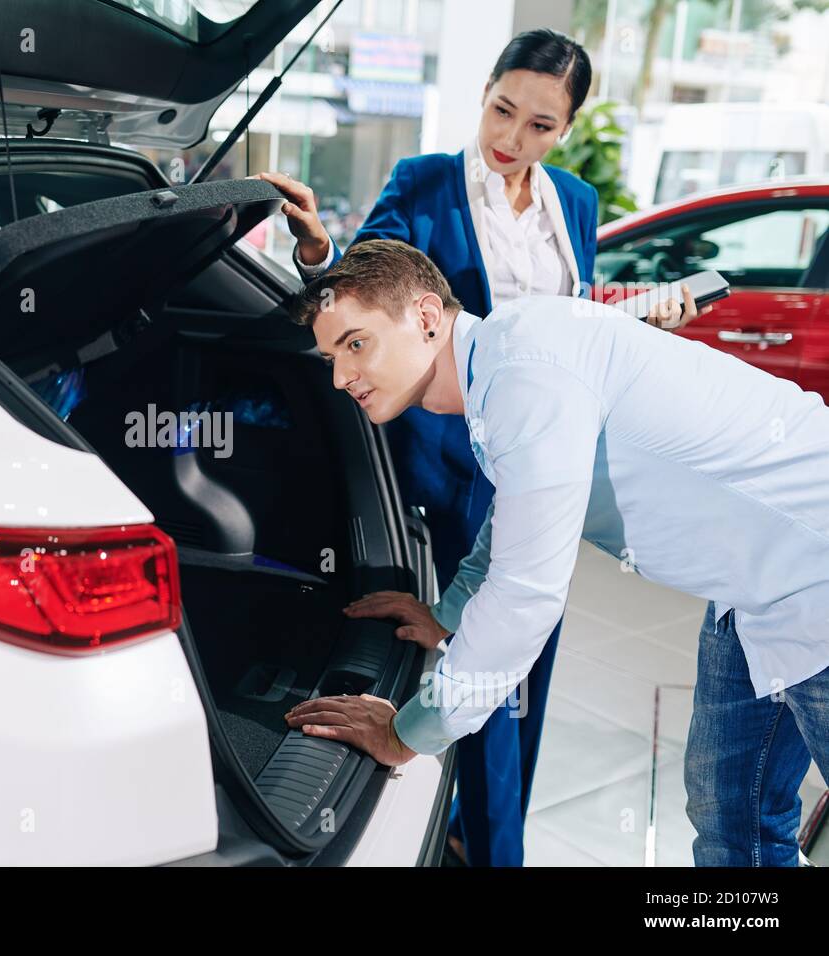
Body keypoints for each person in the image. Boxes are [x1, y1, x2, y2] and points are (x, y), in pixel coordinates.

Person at [259, 28, 706, 866]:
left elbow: (570, 320)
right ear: (486, 92)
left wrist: (645, 311)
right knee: (483, 651)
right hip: (450, 463)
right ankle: (499, 850)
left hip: (543, 461)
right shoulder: (424, 182)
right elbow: (368, 286)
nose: (512, 139)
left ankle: (485, 829)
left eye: (540, 125)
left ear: (565, 131)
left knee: (525, 664)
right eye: (503, 110)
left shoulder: (573, 200)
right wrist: (319, 251)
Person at [285, 238, 829, 867]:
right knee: (732, 821)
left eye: (356, 344)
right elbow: (522, 504)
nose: (340, 375)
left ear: (427, 317)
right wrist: (451, 612)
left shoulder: (523, 372)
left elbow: (527, 591)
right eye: (330, 355)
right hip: (755, 590)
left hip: (814, 572)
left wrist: (408, 732)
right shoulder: (508, 354)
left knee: (739, 823)